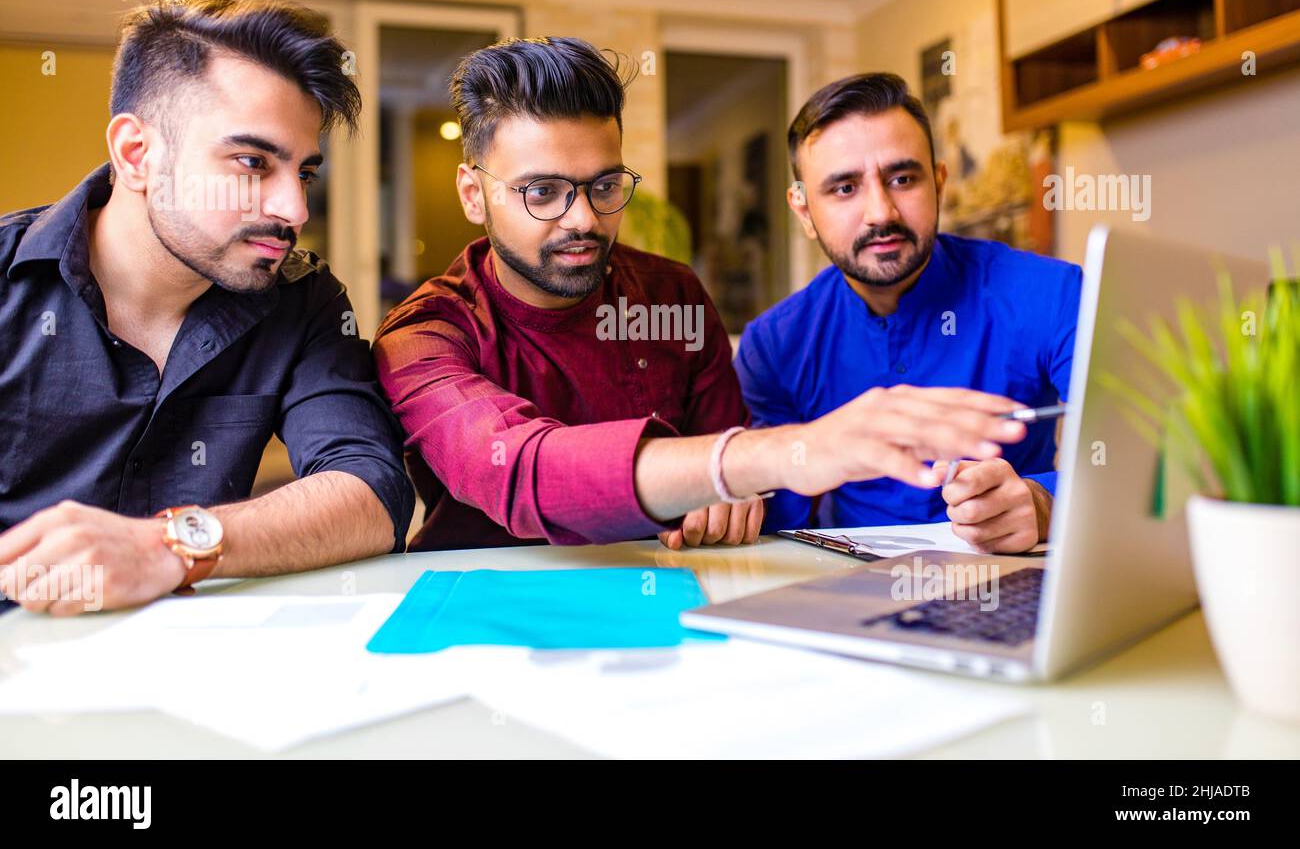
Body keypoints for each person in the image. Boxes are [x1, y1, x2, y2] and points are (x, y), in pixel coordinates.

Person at [374, 39, 1031, 552]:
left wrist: (735, 496)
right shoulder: (425, 334)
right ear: (472, 192)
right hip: (484, 614)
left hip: (673, 604)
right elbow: (519, 468)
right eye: (542, 192)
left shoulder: (671, 295)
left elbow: (732, 472)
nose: (581, 219)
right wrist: (785, 453)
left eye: (604, 186)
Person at [0, 0, 414, 614]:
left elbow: (372, 491)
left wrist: (169, 547)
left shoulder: (303, 301)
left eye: (303, 172)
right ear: (137, 154)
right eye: (252, 162)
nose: (294, 211)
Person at [736, 73, 1081, 554]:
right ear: (803, 211)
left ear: (938, 181)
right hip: (843, 592)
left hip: (1014, 577)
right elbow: (772, 518)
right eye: (843, 188)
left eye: (902, 179)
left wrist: (1047, 503)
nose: (881, 212)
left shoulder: (1050, 294)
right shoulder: (774, 347)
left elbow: (1135, 449)